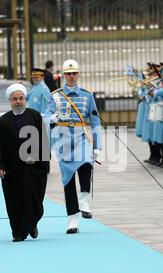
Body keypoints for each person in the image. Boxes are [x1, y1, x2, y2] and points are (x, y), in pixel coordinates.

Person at [46, 59, 102, 234]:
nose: (71, 76)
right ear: (64, 75)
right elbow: (45, 116)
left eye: (74, 73)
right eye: (68, 74)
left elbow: (95, 121)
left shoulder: (87, 95)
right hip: (64, 140)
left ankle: (84, 199)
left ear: (78, 74)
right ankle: (73, 219)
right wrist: (52, 118)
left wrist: (97, 146)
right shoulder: (55, 95)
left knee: (86, 165)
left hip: (82, 137)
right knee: (68, 181)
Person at [0, 83, 49, 242]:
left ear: (25, 100)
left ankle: (32, 224)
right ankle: (18, 232)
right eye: (15, 99)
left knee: (34, 201)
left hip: (33, 169)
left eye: (21, 98)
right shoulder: (4, 120)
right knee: (14, 202)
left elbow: (43, 140)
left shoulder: (34, 116)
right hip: (12, 170)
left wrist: (38, 158)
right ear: (10, 101)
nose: (18, 101)